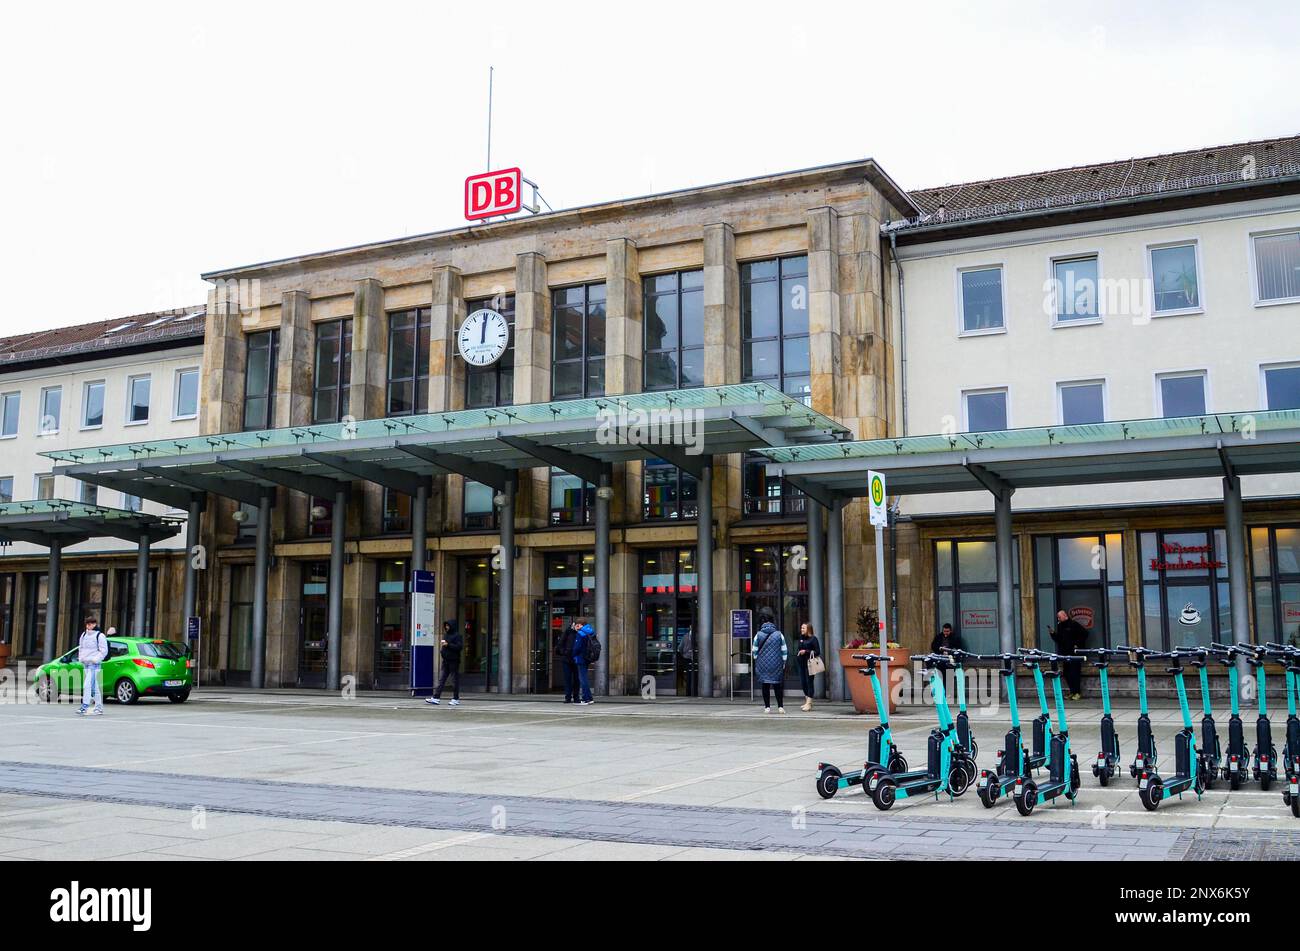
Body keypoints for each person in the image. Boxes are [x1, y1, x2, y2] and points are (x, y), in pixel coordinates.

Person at [752, 608, 788, 714]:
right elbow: (784, 650)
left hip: (763, 665)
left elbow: (754, 651)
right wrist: (783, 663)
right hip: (777, 664)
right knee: (777, 685)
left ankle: (767, 707)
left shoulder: (758, 635)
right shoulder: (779, 634)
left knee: (765, 685)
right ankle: (780, 706)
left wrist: (757, 661)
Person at [1050, 610, 1089, 700]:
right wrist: (1053, 634)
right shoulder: (1060, 626)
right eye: (1058, 617)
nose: (1058, 619)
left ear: (1065, 616)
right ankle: (1072, 691)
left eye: (1059, 617)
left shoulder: (1073, 624)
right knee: (1067, 673)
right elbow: (1060, 640)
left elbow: (1085, 634)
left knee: (1075, 673)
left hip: (1074, 653)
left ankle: (1077, 692)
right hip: (1065, 653)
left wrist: (1077, 644)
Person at [427, 620, 463, 706]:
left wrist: (448, 645)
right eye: (446, 626)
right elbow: (445, 647)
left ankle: (455, 698)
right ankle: (436, 697)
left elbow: (459, 647)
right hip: (446, 660)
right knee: (442, 679)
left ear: (452, 626)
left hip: (453, 661)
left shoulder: (457, 636)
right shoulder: (446, 635)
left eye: (448, 626)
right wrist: (442, 652)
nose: (447, 627)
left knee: (454, 680)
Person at [77, 616, 107, 717]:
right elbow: (81, 648)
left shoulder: (100, 635)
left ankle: (84, 706)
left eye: (90, 623)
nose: (88, 625)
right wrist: (81, 658)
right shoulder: (84, 635)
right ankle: (99, 708)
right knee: (95, 688)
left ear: (95, 624)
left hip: (94, 665)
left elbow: (104, 651)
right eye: (87, 624)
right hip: (86, 664)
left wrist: (95, 659)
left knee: (87, 685)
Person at [796, 622, 822, 712]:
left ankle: (809, 703)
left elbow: (818, 652)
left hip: (810, 664)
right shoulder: (801, 638)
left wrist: (806, 651)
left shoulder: (813, 639)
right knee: (803, 682)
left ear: (808, 629)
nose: (801, 630)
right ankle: (807, 701)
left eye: (803, 628)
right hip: (801, 663)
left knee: (809, 682)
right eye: (801, 628)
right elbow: (799, 648)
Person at [556, 620, 583, 704]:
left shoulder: (581, 633)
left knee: (576, 679)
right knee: (567, 679)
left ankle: (576, 697)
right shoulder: (567, 632)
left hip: (576, 659)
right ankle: (568, 697)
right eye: (577, 625)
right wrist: (564, 652)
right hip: (566, 659)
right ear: (573, 625)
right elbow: (560, 644)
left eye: (580, 625)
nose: (578, 627)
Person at [572, 623, 595, 705]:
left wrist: (573, 654)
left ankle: (586, 699)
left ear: (579, 625)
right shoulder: (589, 632)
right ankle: (589, 698)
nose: (573, 627)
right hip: (587, 657)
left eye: (574, 625)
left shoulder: (580, 634)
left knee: (583, 679)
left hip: (580, 658)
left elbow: (577, 647)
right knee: (584, 678)